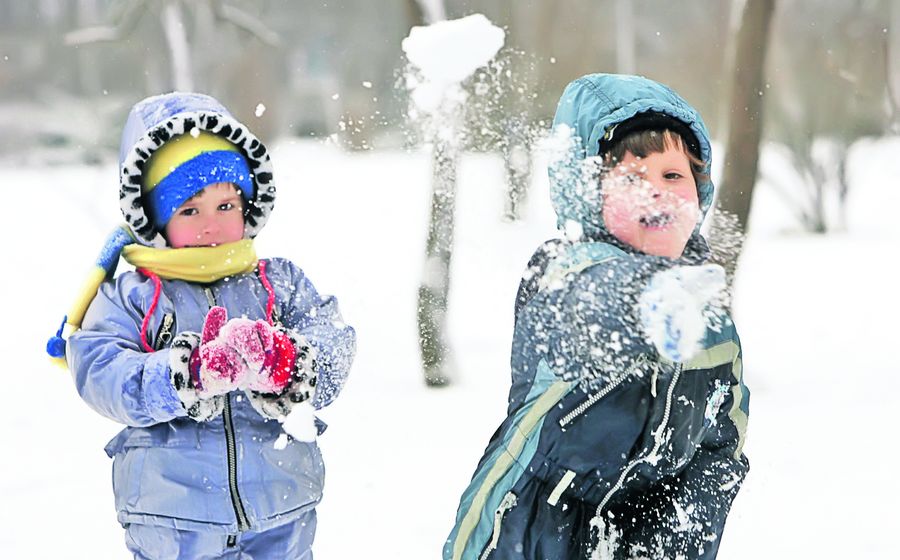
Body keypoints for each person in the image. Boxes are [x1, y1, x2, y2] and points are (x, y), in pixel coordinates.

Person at [444, 74, 749, 560]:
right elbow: (586, 313)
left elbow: (720, 442)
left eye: (673, 176)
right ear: (588, 193)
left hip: (636, 535)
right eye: (631, 178)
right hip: (529, 530)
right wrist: (643, 297)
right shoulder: (565, 272)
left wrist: (678, 532)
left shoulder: (705, 314)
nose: (657, 192)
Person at [47, 92, 356, 559]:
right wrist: (185, 376)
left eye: (226, 206)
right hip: (174, 519)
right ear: (154, 216)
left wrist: (289, 364)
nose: (211, 225)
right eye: (190, 210)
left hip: (282, 506)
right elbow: (99, 368)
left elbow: (332, 339)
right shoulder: (136, 294)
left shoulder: (278, 283)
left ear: (249, 205)